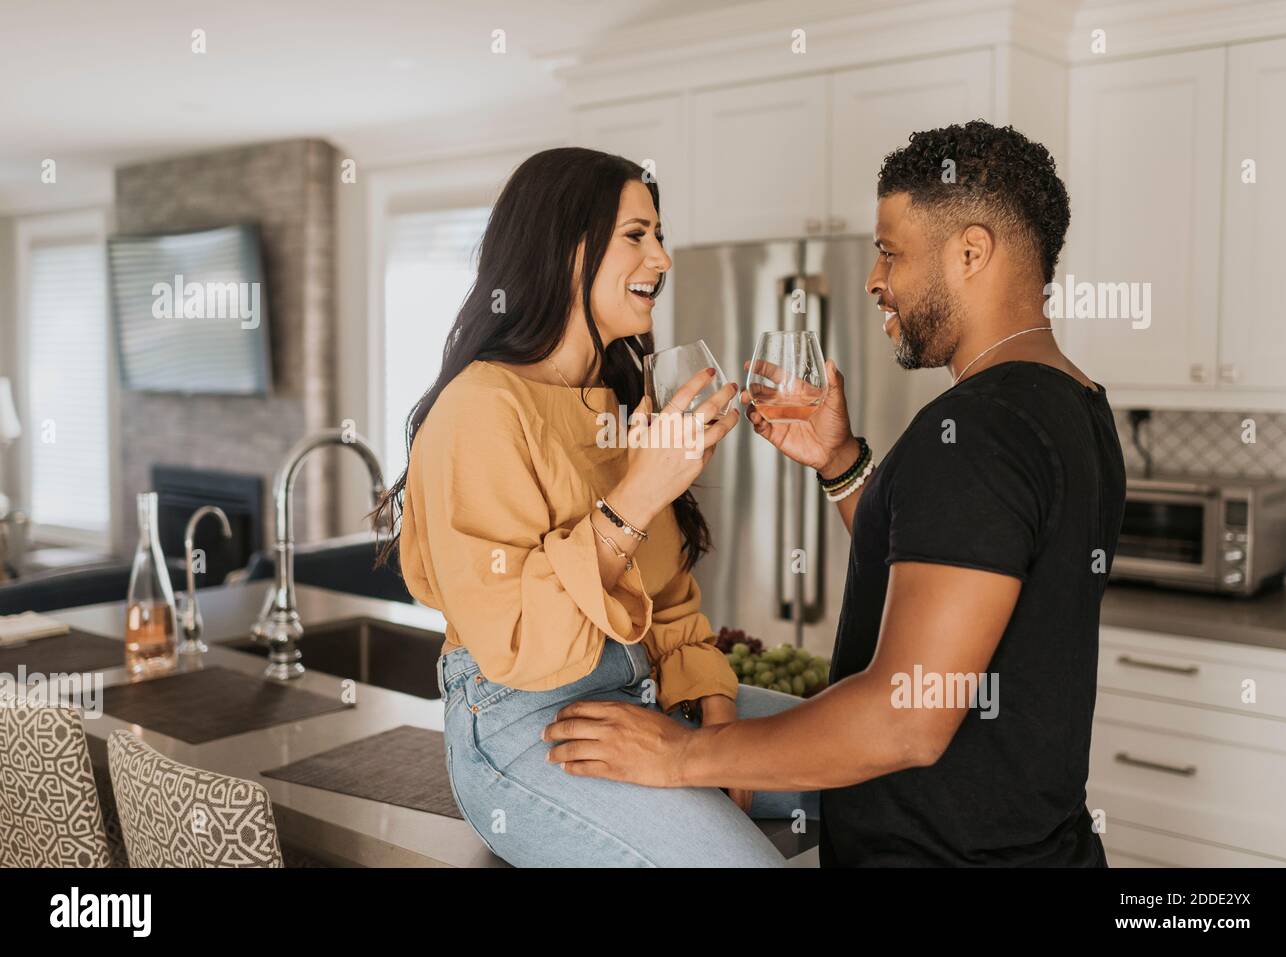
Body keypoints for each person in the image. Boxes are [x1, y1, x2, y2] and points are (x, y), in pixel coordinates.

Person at [543, 121, 1127, 867]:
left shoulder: (975, 428)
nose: (874, 280)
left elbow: (903, 720)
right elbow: (956, 562)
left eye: (890, 251)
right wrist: (842, 463)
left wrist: (682, 754)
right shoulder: (1076, 405)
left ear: (971, 251)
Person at [375, 147, 819, 867]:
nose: (664, 257)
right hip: (531, 722)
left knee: (880, 775)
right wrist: (641, 489)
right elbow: (521, 645)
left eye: (660, 233)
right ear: (567, 247)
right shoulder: (479, 410)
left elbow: (667, 592)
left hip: (648, 689)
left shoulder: (620, 401)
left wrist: (715, 706)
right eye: (637, 234)